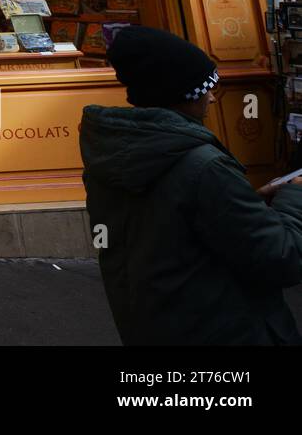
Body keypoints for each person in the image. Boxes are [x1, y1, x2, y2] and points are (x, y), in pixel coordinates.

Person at [80, 25, 302, 345]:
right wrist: (294, 196)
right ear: (181, 96)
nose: (213, 97)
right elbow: (282, 258)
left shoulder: (114, 155)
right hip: (227, 330)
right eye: (204, 89)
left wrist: (246, 202)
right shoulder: (203, 166)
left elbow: (169, 226)